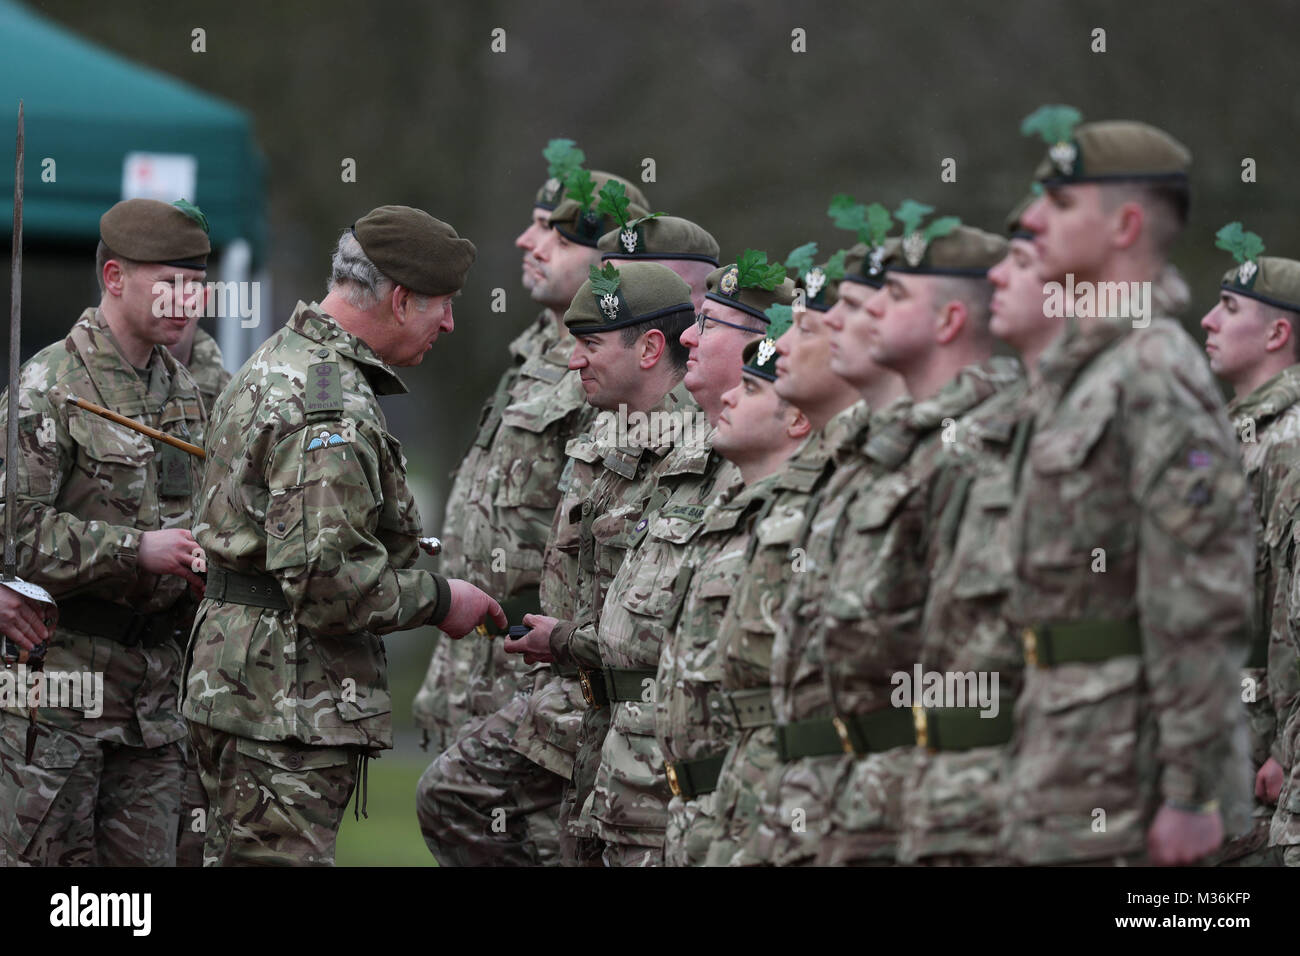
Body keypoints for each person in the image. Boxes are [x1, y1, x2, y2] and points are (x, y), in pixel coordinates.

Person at [181, 205, 504, 866]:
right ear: (401, 300)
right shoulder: (329, 405)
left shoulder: (279, 361)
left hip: (243, 688)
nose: (449, 323)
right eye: (443, 305)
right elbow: (327, 585)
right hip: (282, 702)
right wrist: (443, 601)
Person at [1003, 107, 1253, 866]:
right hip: (1062, 747)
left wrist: (1192, 791)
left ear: (1125, 225)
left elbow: (1199, 591)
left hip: (1129, 770)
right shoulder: (1081, 376)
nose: (1032, 220)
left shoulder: (1154, 370)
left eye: (1061, 203)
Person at [419, 261, 693, 866]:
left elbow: (665, 623)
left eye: (591, 344)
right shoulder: (612, 431)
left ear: (650, 348)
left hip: (643, 729)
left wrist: (565, 640)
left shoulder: (699, 449)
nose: (573, 361)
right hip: (586, 708)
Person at [414, 143, 648, 761]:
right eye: (535, 224)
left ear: (613, 262)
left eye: (556, 235)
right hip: (474, 661)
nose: (527, 241)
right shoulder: (532, 352)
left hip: (537, 666)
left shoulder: (621, 375)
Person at [0, 198, 212, 866]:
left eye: (197, 284)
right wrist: (136, 551)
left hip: (152, 699)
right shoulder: (51, 386)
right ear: (115, 278)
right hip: (58, 690)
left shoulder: (184, 394)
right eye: (169, 283)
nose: (187, 301)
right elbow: (15, 537)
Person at [706, 237, 886, 867]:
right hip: (764, 791)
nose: (779, 344)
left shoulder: (882, 470)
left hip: (846, 804)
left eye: (806, 329)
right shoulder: (822, 476)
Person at [894, 198, 1055, 865]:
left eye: (890, 296)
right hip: (942, 779)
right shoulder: (977, 435)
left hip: (1047, 785)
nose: (998, 278)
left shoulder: (1123, 410)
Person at [656, 318, 811, 866]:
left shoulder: (799, 526)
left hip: (753, 806)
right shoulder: (729, 511)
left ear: (796, 419)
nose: (728, 397)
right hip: (696, 810)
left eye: (750, 388)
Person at [1198, 226, 1300, 866]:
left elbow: (1295, 604)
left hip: (1263, 757)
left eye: (1230, 308)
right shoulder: (1238, 437)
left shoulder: (1290, 443)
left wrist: (1290, 748)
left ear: (1276, 333)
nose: (1207, 320)